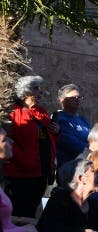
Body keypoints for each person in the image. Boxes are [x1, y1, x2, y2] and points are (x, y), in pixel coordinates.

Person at [5, 76, 59, 218]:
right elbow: (8, 140)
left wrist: (57, 131)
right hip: (21, 173)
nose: (40, 92)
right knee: (18, 211)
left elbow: (49, 138)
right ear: (26, 91)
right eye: (36, 88)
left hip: (41, 171)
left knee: (32, 210)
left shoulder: (41, 111)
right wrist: (24, 160)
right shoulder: (13, 113)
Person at [52, 84, 91, 166]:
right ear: (62, 100)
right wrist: (92, 149)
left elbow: (93, 137)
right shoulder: (59, 119)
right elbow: (72, 144)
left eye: (78, 97)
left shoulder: (82, 119)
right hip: (70, 167)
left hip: (86, 164)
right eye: (73, 98)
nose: (77, 100)